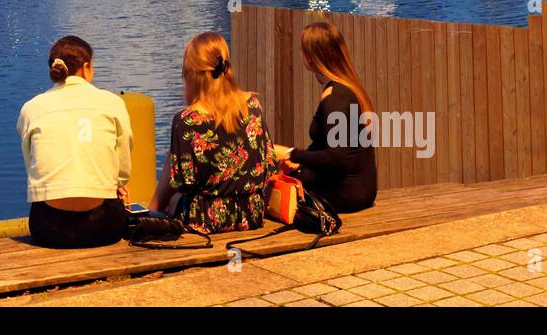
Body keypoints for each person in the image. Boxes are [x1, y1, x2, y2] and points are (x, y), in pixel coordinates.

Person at [148, 32, 277, 234]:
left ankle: (150, 212)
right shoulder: (252, 105)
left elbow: (182, 182)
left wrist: (154, 208)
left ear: (190, 74)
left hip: (205, 218)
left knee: (172, 198)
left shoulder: (187, 120)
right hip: (251, 213)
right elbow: (269, 163)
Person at [16, 35, 133, 248]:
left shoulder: (31, 108)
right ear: (86, 67)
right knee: (115, 195)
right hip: (104, 228)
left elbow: (32, 167)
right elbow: (123, 169)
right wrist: (117, 184)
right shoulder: (112, 103)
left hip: (48, 230)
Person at [274, 22, 377, 214]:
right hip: (361, 190)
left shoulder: (336, 96)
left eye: (302, 49)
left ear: (312, 57)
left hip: (346, 194)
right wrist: (303, 162)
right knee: (294, 174)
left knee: (273, 189)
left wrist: (290, 153)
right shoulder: (348, 88)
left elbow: (337, 157)